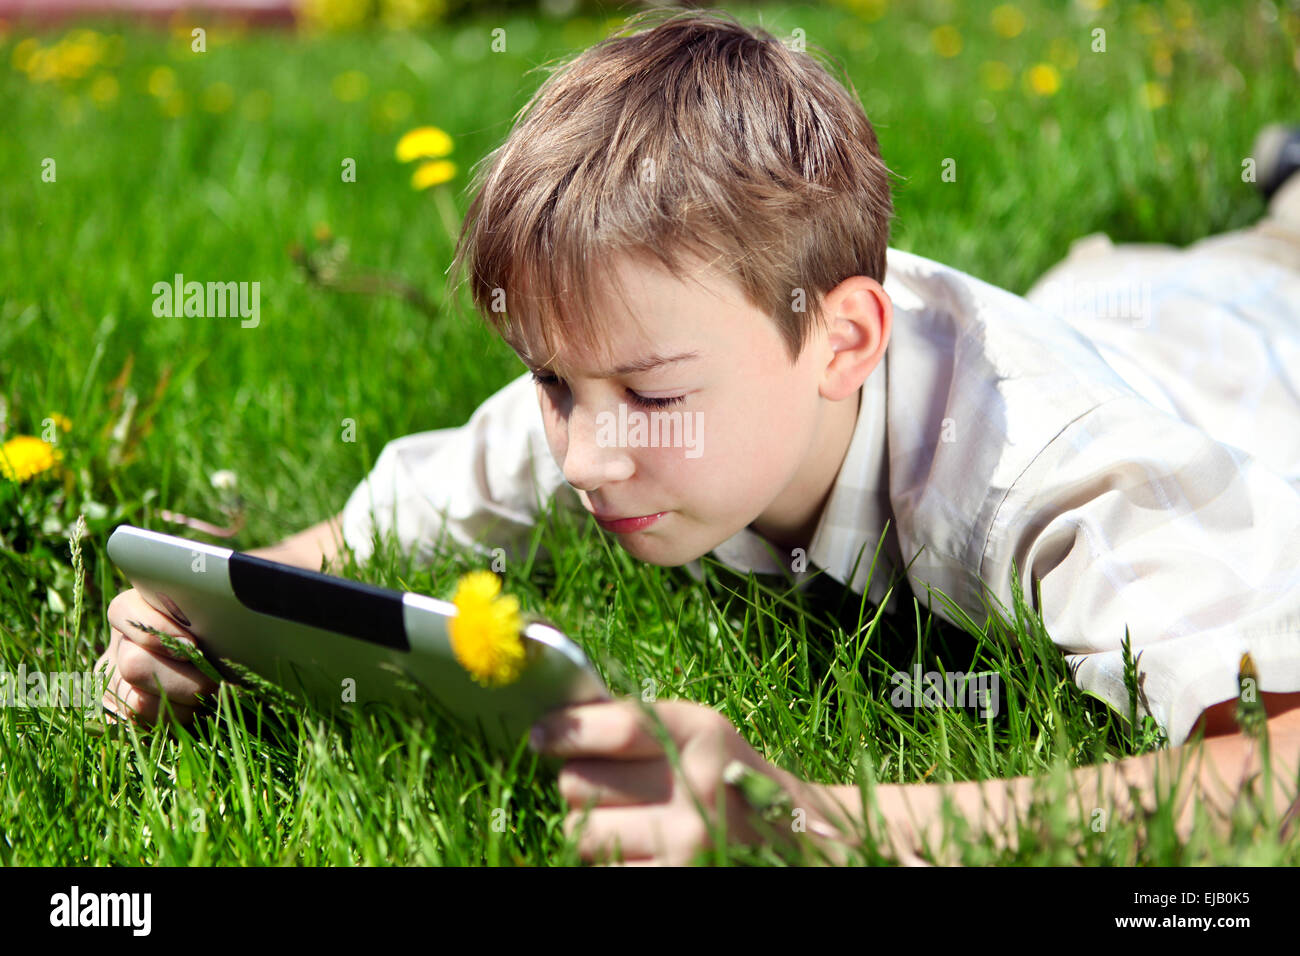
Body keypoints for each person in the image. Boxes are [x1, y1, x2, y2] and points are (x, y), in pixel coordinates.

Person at [95, 10, 1300, 865]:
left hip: (1246, 355)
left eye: (655, 398)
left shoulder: (1050, 464)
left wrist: (821, 819)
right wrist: (195, 620)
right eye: (553, 385)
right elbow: (345, 543)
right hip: (1104, 303)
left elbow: (1278, 769)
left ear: (841, 342)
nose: (583, 458)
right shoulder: (614, 384)